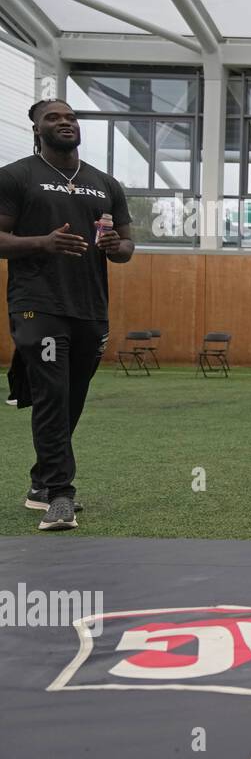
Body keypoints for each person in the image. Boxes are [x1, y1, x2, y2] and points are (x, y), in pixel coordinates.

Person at [0, 98, 133, 531]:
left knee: (70, 398)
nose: (64, 123)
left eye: (71, 117)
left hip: (90, 307)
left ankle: (42, 481)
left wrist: (117, 247)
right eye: (53, 118)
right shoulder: (16, 177)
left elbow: (127, 247)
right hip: (38, 302)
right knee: (54, 394)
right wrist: (43, 243)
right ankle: (60, 495)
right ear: (36, 128)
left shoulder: (105, 183)